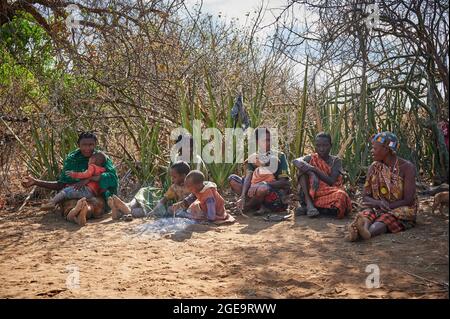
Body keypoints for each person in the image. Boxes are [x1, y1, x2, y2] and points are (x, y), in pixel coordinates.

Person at [21, 132, 118, 225]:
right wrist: (36, 182)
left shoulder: (100, 158)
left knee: (96, 204)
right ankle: (78, 214)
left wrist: (89, 179)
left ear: (96, 144)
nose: (87, 148)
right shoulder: (72, 159)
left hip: (95, 194)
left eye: (91, 144)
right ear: (78, 145)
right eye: (84, 145)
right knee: (71, 205)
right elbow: (61, 184)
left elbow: (112, 179)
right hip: (73, 194)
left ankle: (82, 213)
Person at [347, 132, 417, 241]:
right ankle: (363, 229)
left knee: (387, 218)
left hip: (400, 208)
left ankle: (365, 233)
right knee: (367, 213)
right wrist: (379, 203)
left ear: (386, 149)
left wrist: (388, 206)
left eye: (374, 148)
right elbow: (366, 196)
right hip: (378, 206)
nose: (371, 151)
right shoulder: (373, 167)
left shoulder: (407, 168)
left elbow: (408, 200)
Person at [228, 128, 291, 214]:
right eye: (265, 140)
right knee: (233, 179)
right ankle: (251, 202)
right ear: (257, 142)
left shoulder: (279, 156)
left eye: (270, 140)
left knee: (262, 189)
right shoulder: (253, 157)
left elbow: (284, 182)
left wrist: (264, 183)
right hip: (254, 189)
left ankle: (248, 206)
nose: (269, 143)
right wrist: (242, 196)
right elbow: (248, 177)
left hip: (270, 189)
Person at [292, 132, 351, 218]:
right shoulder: (312, 158)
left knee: (341, 196)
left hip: (330, 192)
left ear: (331, 145)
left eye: (325, 145)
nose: (321, 149)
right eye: (318, 146)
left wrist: (314, 169)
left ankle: (312, 208)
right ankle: (309, 204)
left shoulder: (336, 161)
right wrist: (312, 174)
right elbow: (296, 161)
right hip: (312, 193)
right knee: (302, 170)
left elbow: (331, 181)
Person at [109, 161, 191, 220]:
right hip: (176, 208)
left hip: (186, 209)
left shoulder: (192, 186)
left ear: (183, 176)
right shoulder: (174, 187)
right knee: (147, 198)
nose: (172, 180)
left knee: (167, 210)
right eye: (171, 177)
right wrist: (157, 208)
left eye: (174, 177)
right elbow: (164, 199)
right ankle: (125, 208)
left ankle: (123, 211)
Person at [40, 152, 106, 211]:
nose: (88, 160)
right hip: (93, 193)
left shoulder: (92, 166)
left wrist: (74, 174)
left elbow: (86, 174)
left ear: (93, 160)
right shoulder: (103, 170)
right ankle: (52, 201)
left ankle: (52, 203)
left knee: (64, 192)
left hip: (86, 190)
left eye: (90, 159)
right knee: (69, 190)